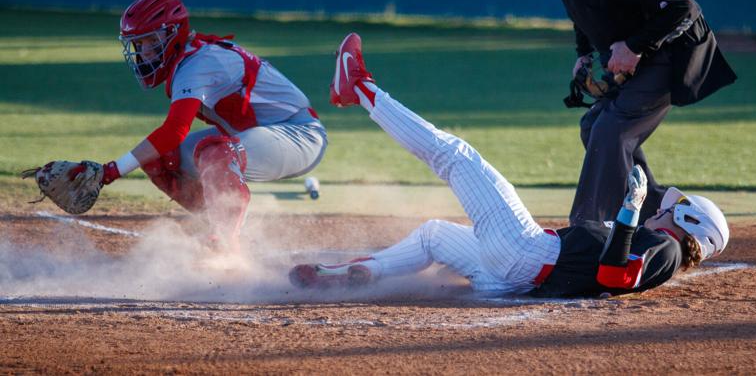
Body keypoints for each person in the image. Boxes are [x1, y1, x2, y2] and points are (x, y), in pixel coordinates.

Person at [288, 34, 728, 298]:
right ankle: (349, 275)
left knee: (455, 155)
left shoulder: (666, 250)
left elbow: (615, 276)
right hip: (514, 275)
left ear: (689, 220)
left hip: (526, 252)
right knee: (434, 235)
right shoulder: (663, 251)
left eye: (673, 207)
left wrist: (630, 214)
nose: (662, 205)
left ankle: (360, 90)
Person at [532, 0, 737, 225]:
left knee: (611, 131)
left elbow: (684, 8)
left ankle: (586, 228)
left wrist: (634, 46)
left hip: (673, 53)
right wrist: (583, 54)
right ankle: (658, 210)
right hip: (635, 54)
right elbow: (579, 11)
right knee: (593, 126)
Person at [94, 0, 327, 252]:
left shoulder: (199, 63)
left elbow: (175, 130)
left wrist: (109, 171)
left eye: (151, 40)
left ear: (174, 33)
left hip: (300, 135)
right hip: (264, 137)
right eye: (140, 43)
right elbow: (168, 141)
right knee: (158, 157)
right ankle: (221, 226)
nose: (145, 52)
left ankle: (225, 241)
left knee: (216, 152)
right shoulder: (191, 60)